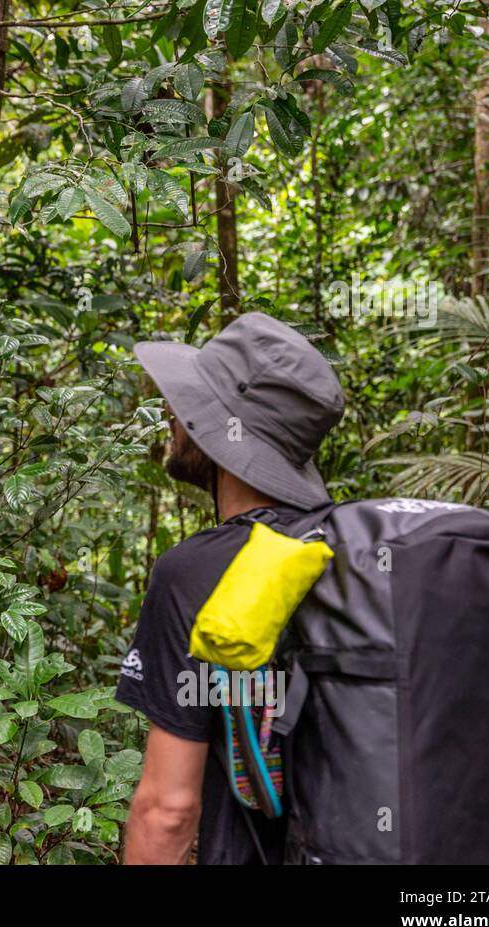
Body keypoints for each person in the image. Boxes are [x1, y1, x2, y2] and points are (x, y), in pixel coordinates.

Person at [119, 312, 345, 865]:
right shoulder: (348, 549)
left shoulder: (193, 573)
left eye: (189, 406)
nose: (174, 417)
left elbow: (167, 811)